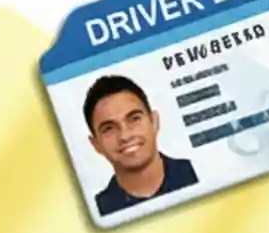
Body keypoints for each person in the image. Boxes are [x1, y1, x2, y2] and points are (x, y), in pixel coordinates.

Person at [83, 75, 198, 216]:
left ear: (154, 121)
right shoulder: (97, 212)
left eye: (134, 119)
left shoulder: (200, 173)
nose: (125, 136)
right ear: (96, 144)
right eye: (109, 128)